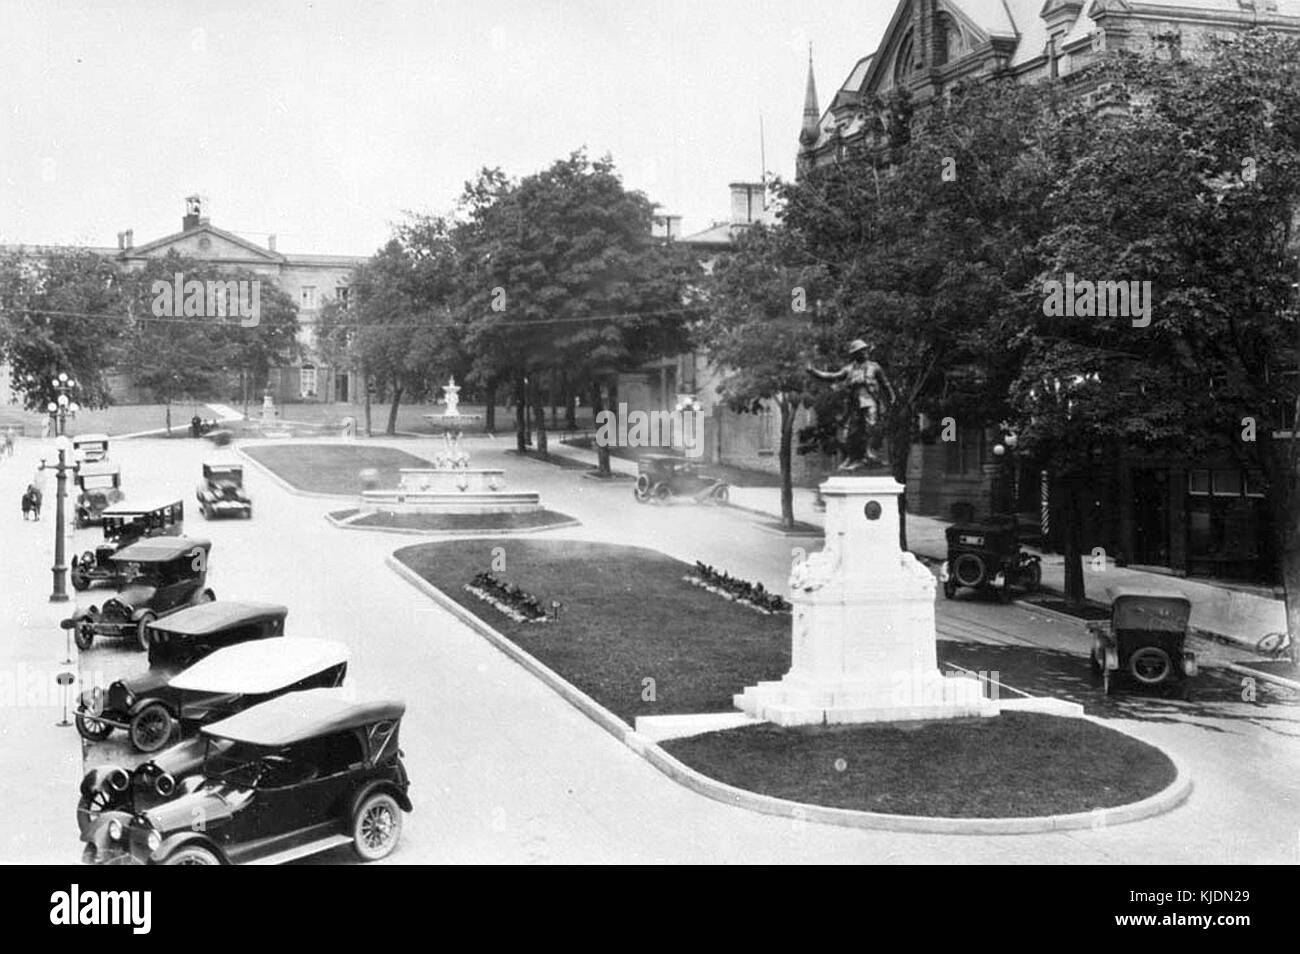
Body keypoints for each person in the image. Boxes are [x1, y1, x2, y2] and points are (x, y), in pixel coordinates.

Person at [807, 338, 896, 470]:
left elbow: (885, 383)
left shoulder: (874, 367)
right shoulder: (849, 369)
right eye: (861, 350)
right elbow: (832, 376)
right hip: (855, 404)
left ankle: (868, 453)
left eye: (865, 350)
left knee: (870, 425)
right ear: (855, 354)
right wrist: (814, 372)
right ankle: (853, 457)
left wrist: (891, 396)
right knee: (852, 432)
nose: (865, 352)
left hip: (870, 401)